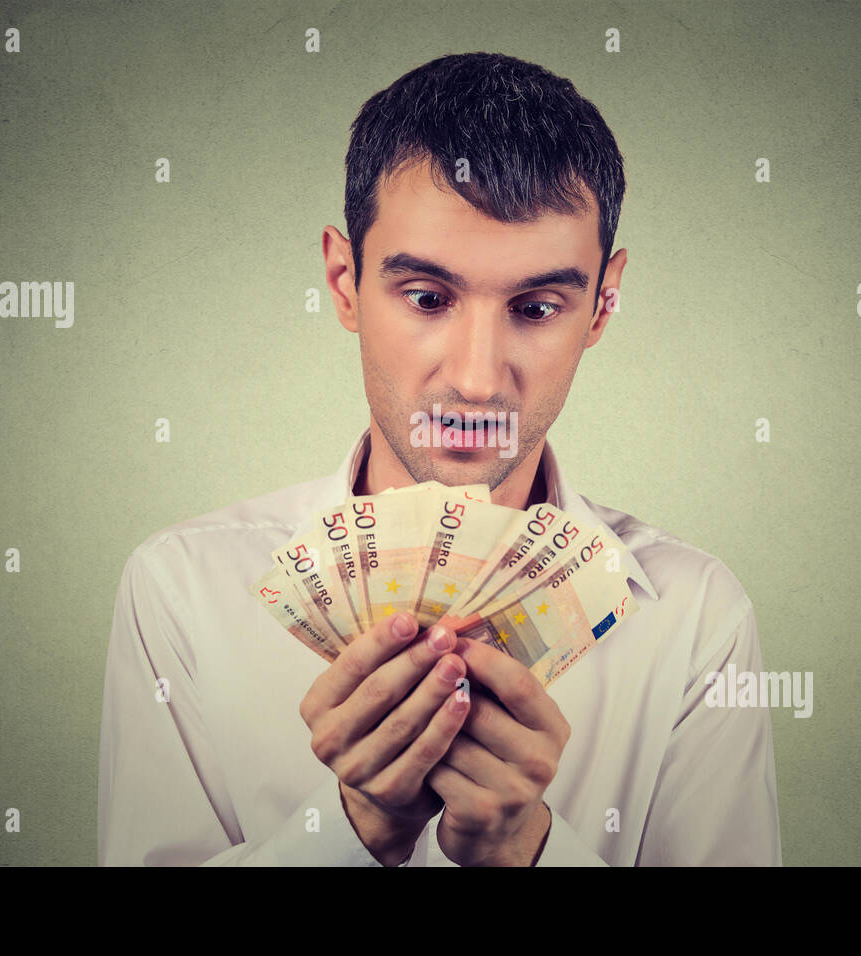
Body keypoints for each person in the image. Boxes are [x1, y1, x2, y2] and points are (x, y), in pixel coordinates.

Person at [98, 52, 781, 866]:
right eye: (427, 297)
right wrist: (355, 831)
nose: (475, 377)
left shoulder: (696, 619)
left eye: (536, 307)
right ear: (344, 281)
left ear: (603, 303)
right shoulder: (180, 591)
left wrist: (526, 849)